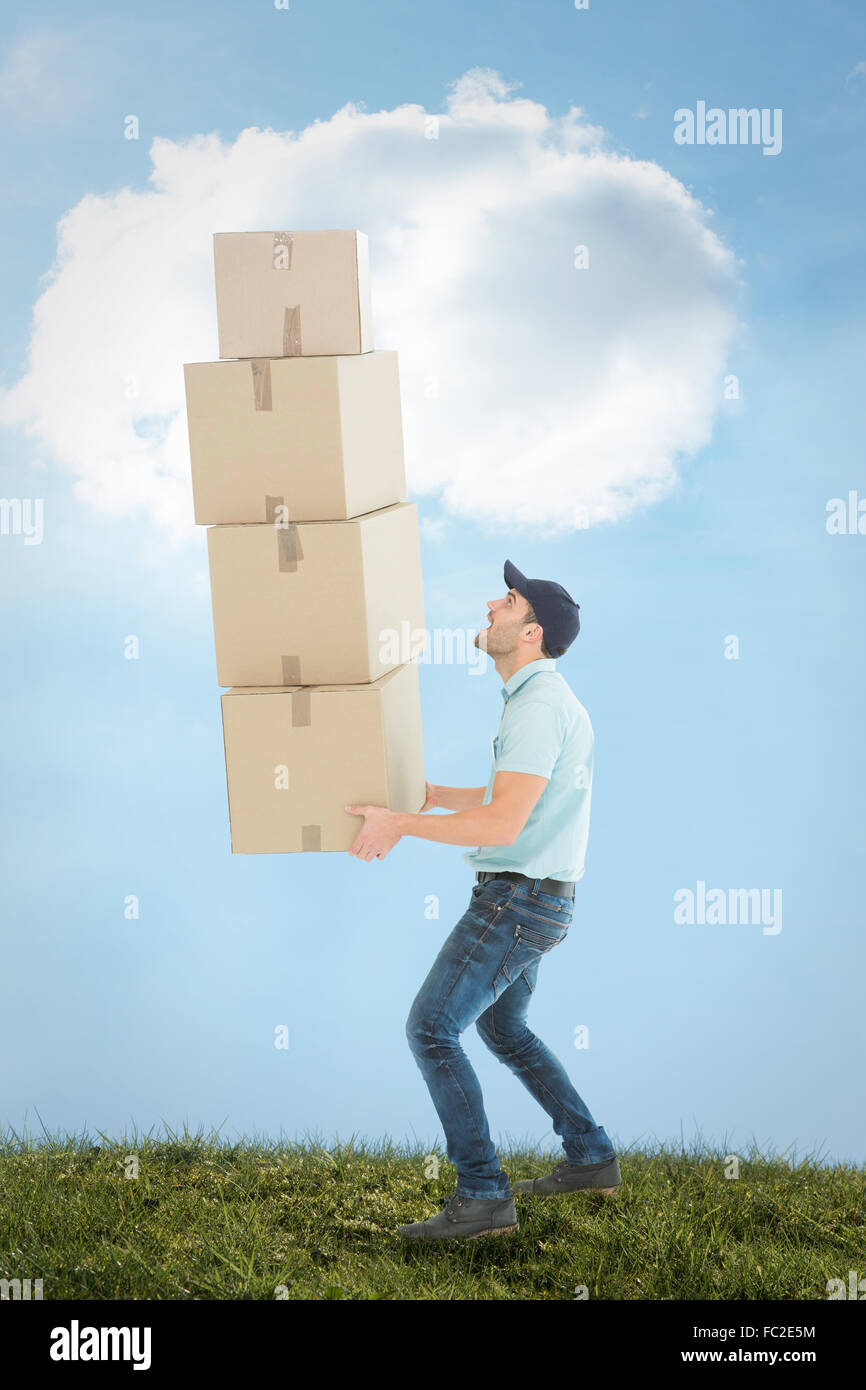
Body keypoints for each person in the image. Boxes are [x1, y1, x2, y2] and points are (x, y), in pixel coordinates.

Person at [345, 559, 619, 1242]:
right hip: (539, 902)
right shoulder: (542, 702)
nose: (491, 606)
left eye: (508, 600)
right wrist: (430, 795)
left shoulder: (537, 708)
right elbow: (511, 802)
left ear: (531, 632)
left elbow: (502, 827)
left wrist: (400, 825)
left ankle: (483, 1197)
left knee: (431, 1029)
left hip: (516, 904)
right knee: (504, 1029)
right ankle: (590, 1156)